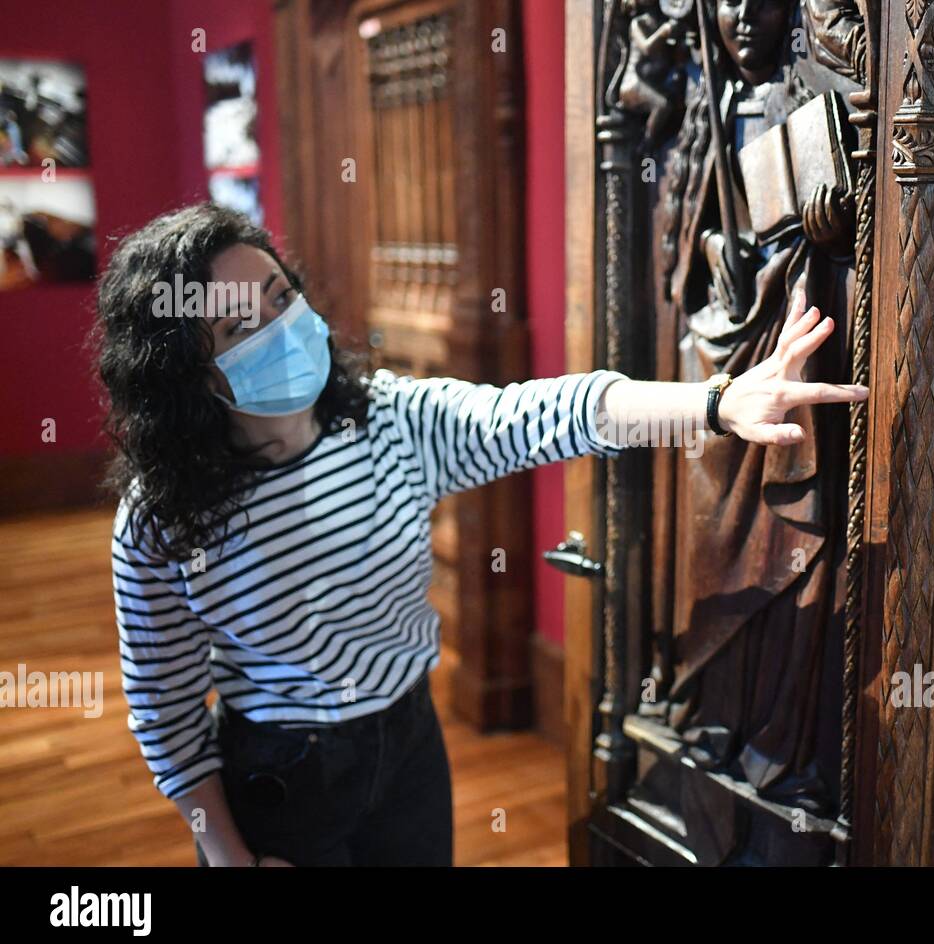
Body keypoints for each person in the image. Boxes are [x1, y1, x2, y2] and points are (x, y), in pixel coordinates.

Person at [96, 202, 866, 867]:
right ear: (190, 374)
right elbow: (164, 717)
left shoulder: (389, 423)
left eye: (280, 295)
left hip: (407, 745)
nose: (280, 327)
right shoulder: (163, 521)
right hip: (282, 779)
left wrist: (715, 402)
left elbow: (553, 414)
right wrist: (229, 856)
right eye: (240, 325)